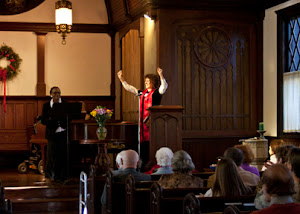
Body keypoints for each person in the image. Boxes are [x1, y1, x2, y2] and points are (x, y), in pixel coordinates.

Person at [117, 68, 168, 169]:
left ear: (153, 82)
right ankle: (143, 164)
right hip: (143, 125)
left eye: (148, 81)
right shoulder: (142, 94)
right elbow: (129, 88)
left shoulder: (156, 93)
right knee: (143, 145)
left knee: (152, 144)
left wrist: (161, 75)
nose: (146, 83)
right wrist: (121, 79)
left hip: (153, 123)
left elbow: (164, 87)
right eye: (145, 81)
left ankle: (152, 163)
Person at [41, 86, 68, 183]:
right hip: (52, 133)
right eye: (55, 93)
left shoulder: (65, 104)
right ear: (51, 94)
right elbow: (43, 120)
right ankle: (51, 175)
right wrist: (52, 120)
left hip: (63, 133)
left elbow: (69, 117)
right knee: (52, 155)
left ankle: (62, 175)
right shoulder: (47, 105)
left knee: (62, 155)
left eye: (58, 93)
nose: (57, 95)